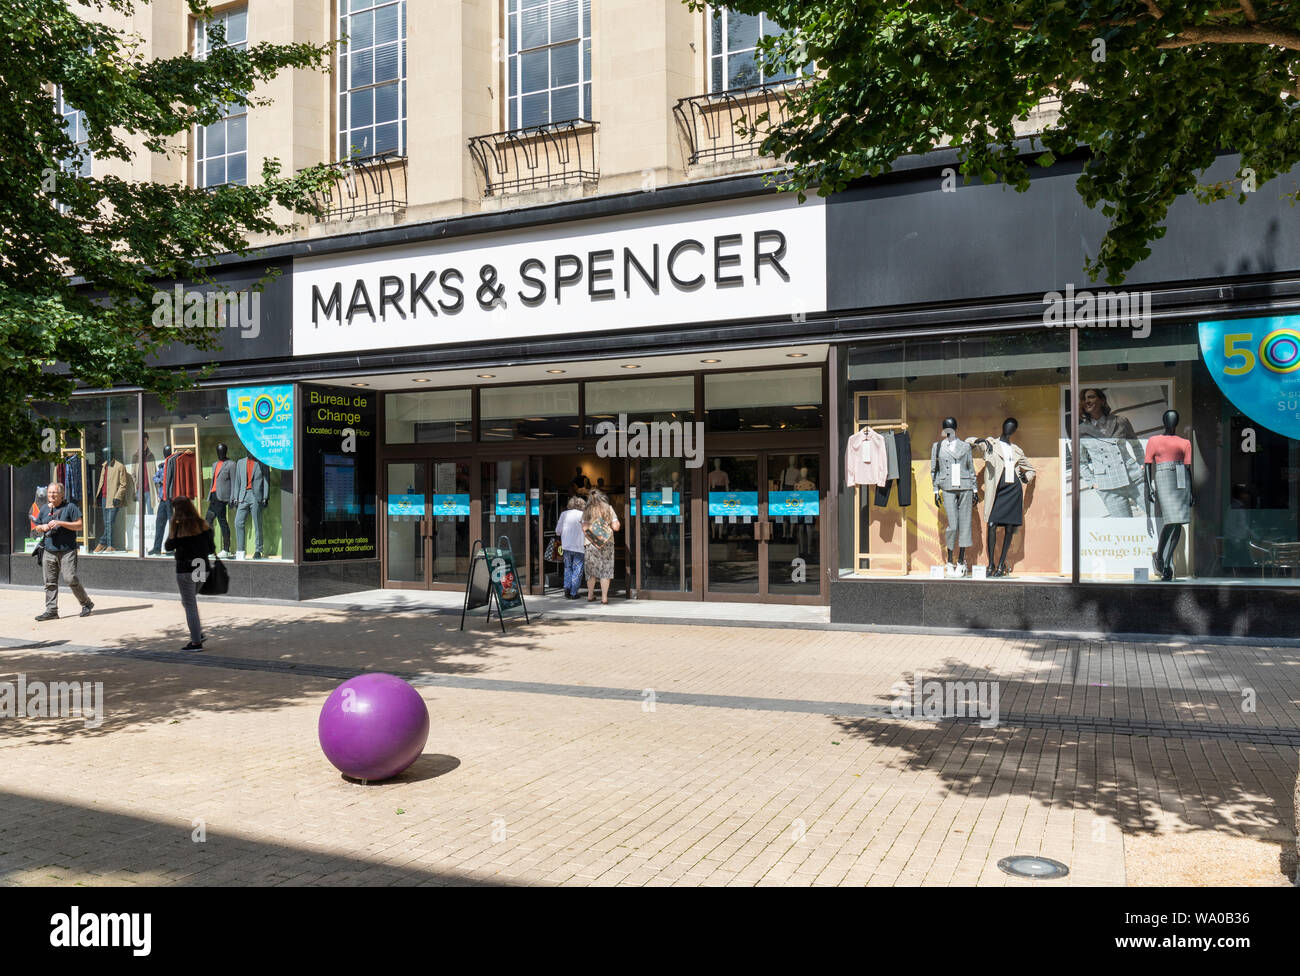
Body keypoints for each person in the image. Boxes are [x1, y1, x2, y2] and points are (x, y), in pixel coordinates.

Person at [1077, 387, 1144, 518]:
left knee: (1157, 515)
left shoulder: (1120, 421)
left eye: (1091, 397)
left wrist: (1142, 465)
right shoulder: (1080, 431)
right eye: (1084, 399)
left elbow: (1136, 445)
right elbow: (1081, 462)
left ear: (1102, 400)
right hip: (1108, 486)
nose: (1087, 401)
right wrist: (1092, 482)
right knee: (1123, 529)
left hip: (1134, 478)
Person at [32, 482, 94, 621]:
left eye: (54, 492)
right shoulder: (43, 509)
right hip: (49, 550)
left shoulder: (70, 507)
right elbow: (36, 528)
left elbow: (79, 525)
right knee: (49, 582)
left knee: (70, 578)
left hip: (67, 551)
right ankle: (51, 610)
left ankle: (86, 603)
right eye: (49, 493)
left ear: (62, 494)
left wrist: (60, 523)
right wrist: (42, 527)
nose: (51, 495)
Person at [164, 497, 215, 651]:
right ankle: (197, 632)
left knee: (189, 604)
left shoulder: (178, 527)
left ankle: (196, 642)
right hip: (201, 567)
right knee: (189, 602)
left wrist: (173, 528)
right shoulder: (202, 525)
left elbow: (168, 546)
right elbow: (211, 548)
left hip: (186, 569)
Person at [582, 491, 620, 604]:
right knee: (606, 570)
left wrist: (594, 538)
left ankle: (590, 595)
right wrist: (606, 528)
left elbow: (584, 528)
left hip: (591, 543)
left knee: (591, 570)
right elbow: (616, 526)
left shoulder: (587, 510)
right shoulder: (609, 508)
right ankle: (604, 598)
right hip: (607, 543)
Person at [555, 496, 587, 599]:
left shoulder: (564, 514)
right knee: (577, 569)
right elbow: (587, 531)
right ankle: (573, 593)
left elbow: (558, 531)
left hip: (566, 546)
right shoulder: (583, 515)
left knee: (567, 568)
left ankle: (567, 589)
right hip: (579, 546)